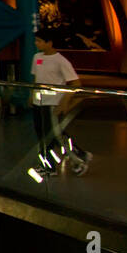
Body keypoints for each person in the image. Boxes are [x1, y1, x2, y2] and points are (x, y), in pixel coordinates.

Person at [31, 35, 91, 176]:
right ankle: (79, 155)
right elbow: (36, 79)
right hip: (38, 102)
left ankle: (74, 162)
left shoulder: (61, 61)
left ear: (49, 42)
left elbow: (75, 84)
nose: (36, 43)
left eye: (40, 40)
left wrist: (64, 102)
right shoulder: (37, 57)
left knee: (53, 135)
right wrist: (31, 95)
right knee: (44, 134)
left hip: (52, 103)